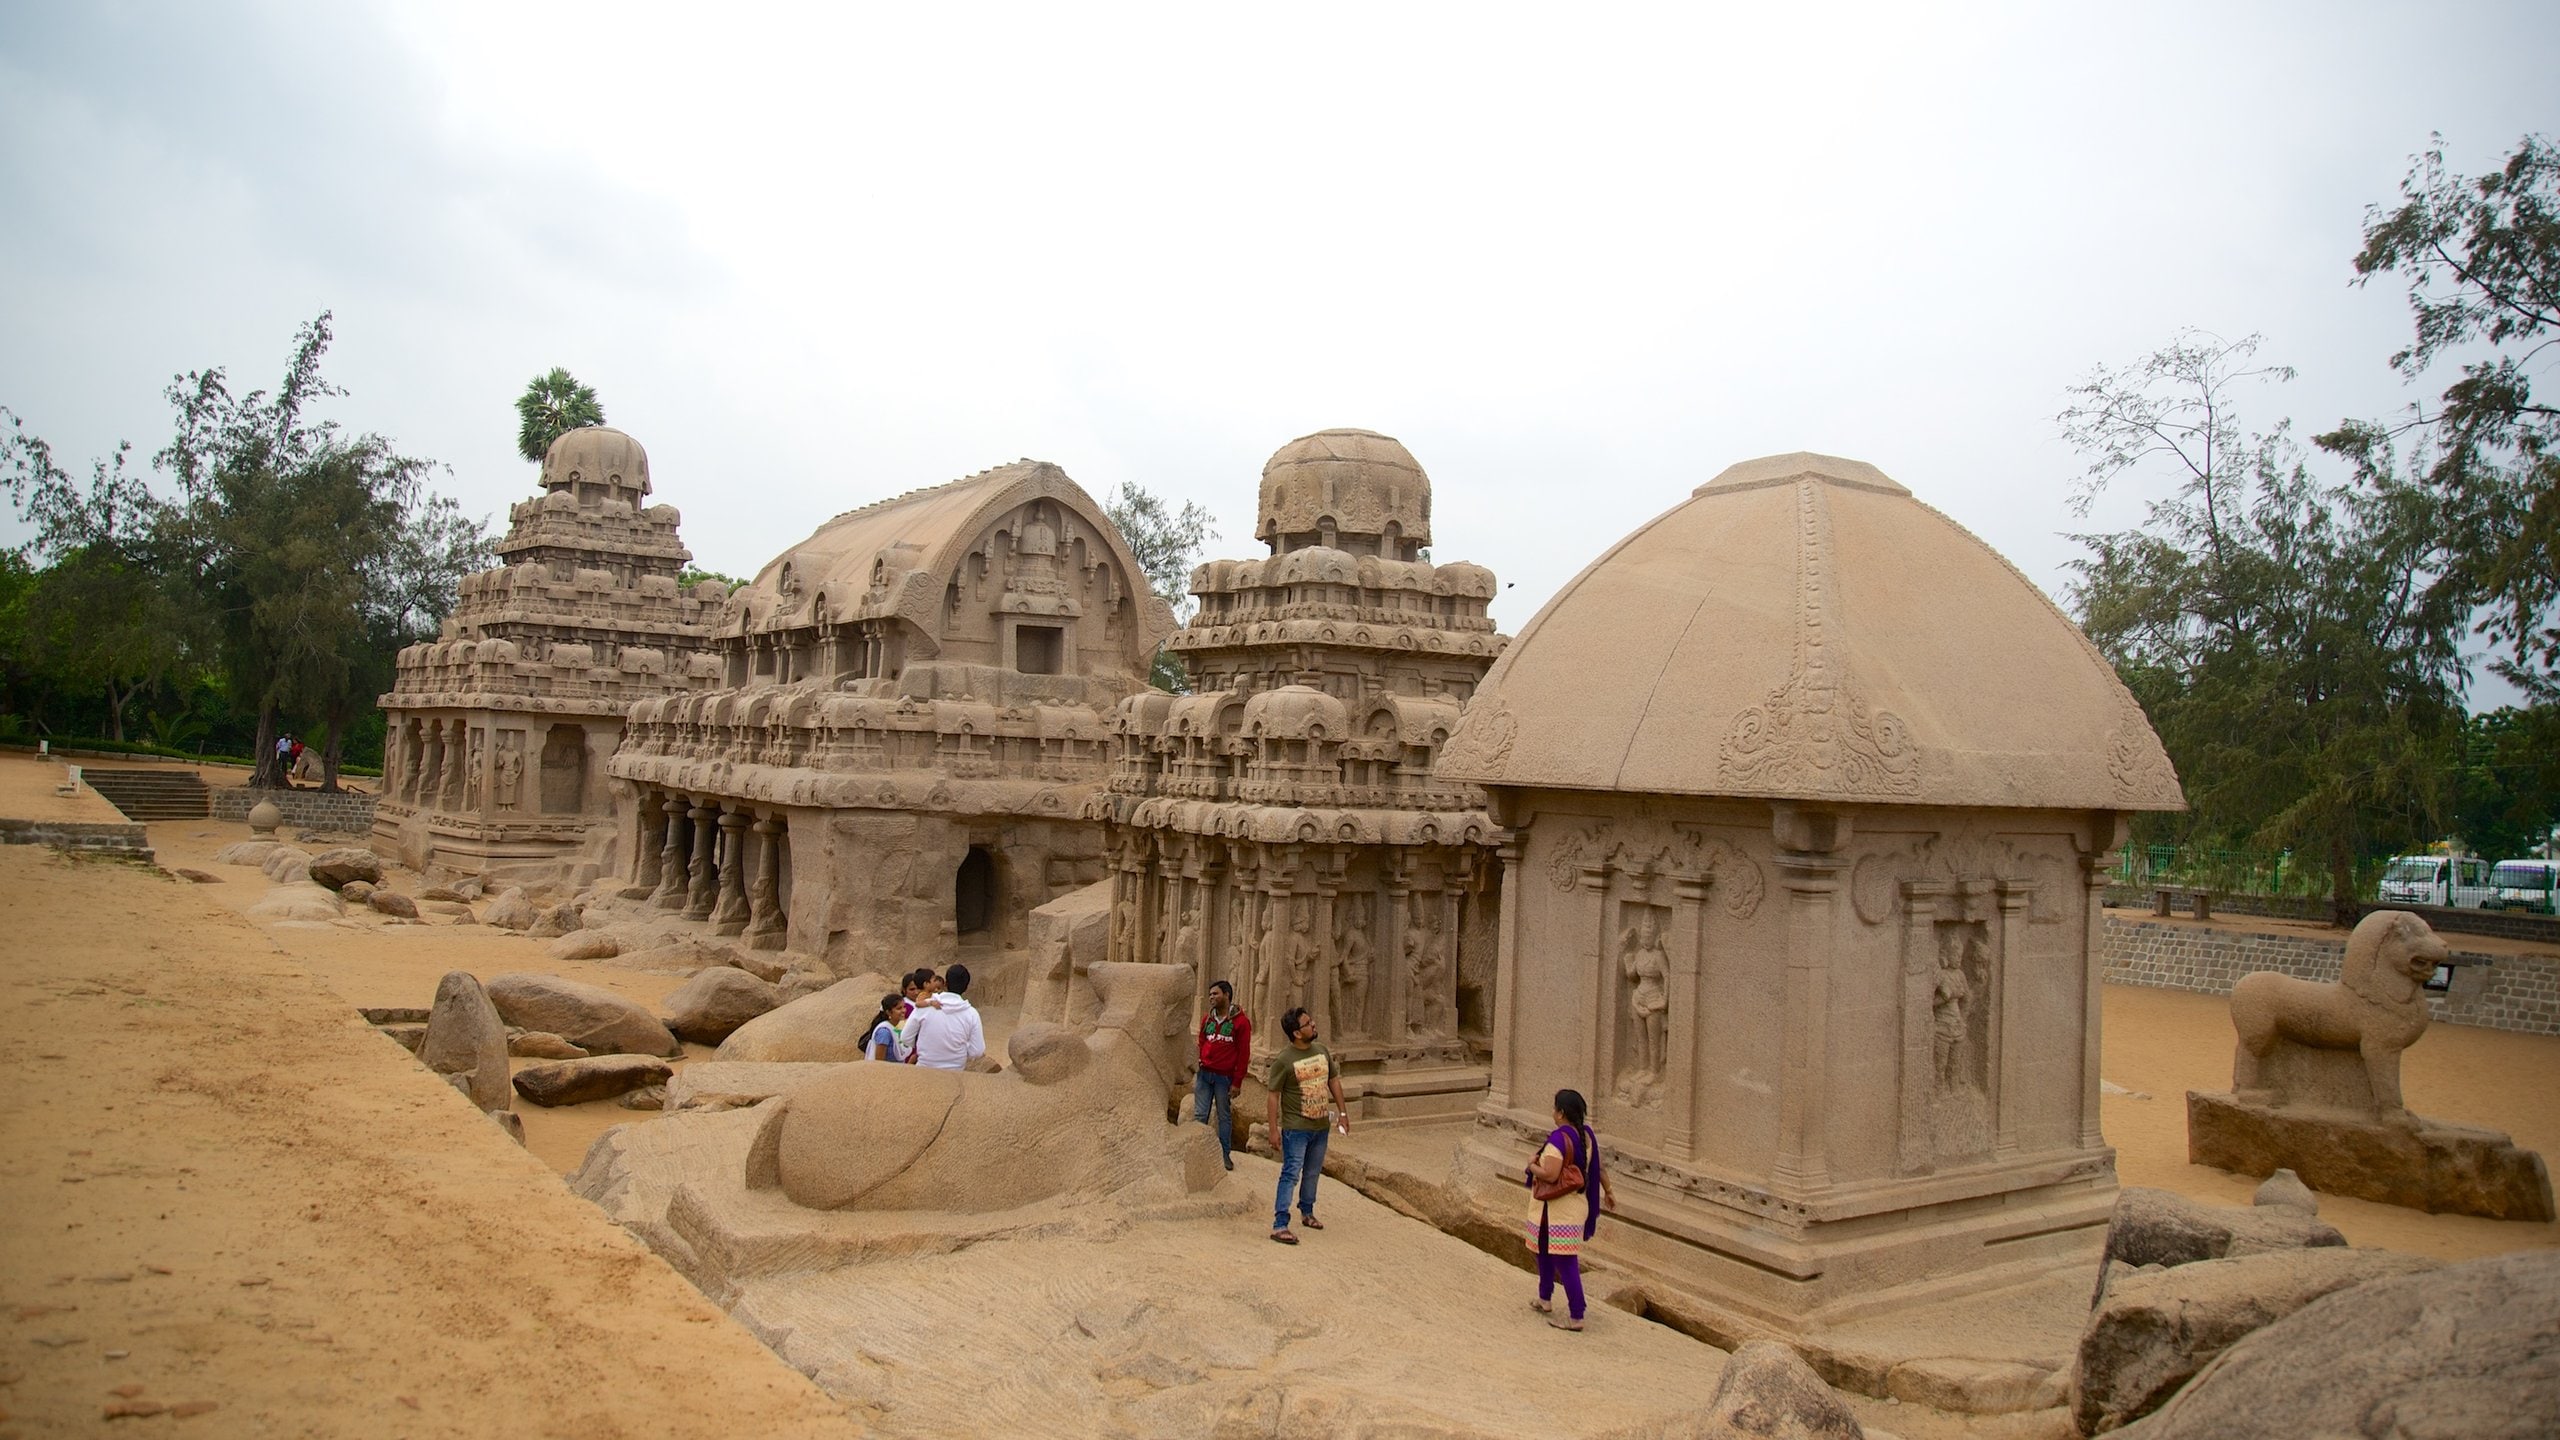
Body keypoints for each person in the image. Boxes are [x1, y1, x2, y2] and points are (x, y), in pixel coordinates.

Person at [1524, 1088, 1613, 1331]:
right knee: (1543, 1249)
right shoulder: (1587, 1136)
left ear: (1561, 1113)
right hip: (1572, 1206)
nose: (1552, 1113)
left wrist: (1532, 1166)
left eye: (1554, 1109)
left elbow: (1550, 1175)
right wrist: (1609, 1191)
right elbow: (1599, 1167)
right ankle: (1545, 1297)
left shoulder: (1558, 1139)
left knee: (1565, 1261)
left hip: (1557, 1209)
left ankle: (1577, 1314)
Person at [1261, 1006, 1344, 1245]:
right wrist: (1274, 1129)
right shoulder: (1284, 1060)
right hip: (1296, 1127)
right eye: (1308, 1024)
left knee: (1312, 1172)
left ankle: (1307, 1211)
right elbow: (1273, 1095)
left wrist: (1343, 1111)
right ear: (1297, 1033)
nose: (1314, 1025)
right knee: (1291, 1172)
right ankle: (1280, 1223)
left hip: (1320, 1125)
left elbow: (1333, 1081)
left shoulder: (1322, 1051)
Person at [1193, 981, 1251, 1170]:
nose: (1211, 997)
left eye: (1215, 994)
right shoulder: (1207, 1019)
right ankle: (1198, 1153)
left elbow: (1243, 1053)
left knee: (1224, 1115)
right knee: (1200, 1114)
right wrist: (1200, 1060)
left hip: (1224, 1077)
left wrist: (1237, 1081)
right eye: (1209, 994)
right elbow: (1202, 1040)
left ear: (1226, 995)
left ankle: (1224, 1154)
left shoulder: (1241, 1022)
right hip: (1205, 1074)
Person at [905, 962, 988, 1071]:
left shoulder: (926, 1005)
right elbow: (977, 1051)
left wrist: (925, 1046)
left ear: (946, 983)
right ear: (966, 987)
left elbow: (906, 1037)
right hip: (955, 1073)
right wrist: (959, 1049)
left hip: (924, 1070)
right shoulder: (971, 1014)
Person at [864, 992, 909, 1062]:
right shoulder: (884, 1032)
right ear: (889, 1012)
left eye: (904, 1007)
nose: (904, 1010)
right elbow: (879, 1061)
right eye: (899, 1008)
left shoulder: (895, 1027)